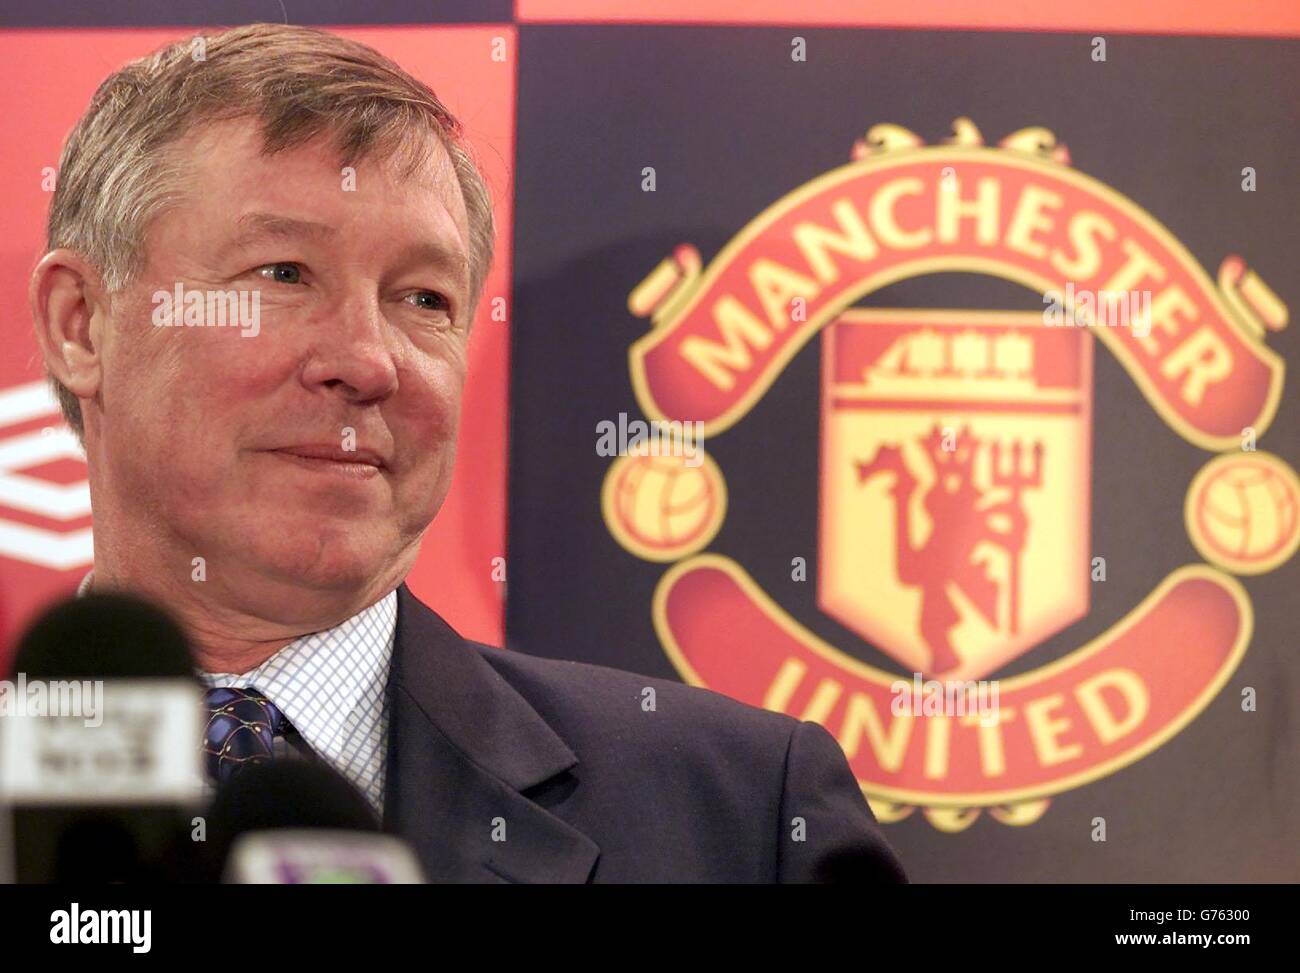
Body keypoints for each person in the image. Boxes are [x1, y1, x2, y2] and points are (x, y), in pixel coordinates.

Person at [29, 23, 906, 883]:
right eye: (283, 274)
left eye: (422, 297)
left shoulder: (744, 816)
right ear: (83, 325)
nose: (368, 361)